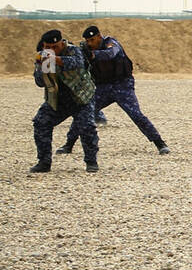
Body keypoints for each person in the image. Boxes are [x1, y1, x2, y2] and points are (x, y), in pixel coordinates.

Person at [58, 26, 169, 156]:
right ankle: (69, 144)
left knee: (136, 115)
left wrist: (93, 55)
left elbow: (111, 54)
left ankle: (160, 143)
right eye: (87, 41)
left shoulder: (111, 43)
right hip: (103, 87)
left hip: (122, 86)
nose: (90, 43)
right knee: (83, 113)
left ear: (99, 37)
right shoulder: (87, 50)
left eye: (92, 40)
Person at [30, 30, 99, 173]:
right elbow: (40, 83)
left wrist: (54, 58)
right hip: (58, 100)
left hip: (81, 97)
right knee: (41, 122)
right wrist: (41, 66)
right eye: (49, 47)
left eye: (56, 46)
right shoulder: (44, 56)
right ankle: (44, 162)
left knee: (87, 127)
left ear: (62, 43)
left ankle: (91, 161)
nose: (53, 49)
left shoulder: (73, 50)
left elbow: (76, 63)